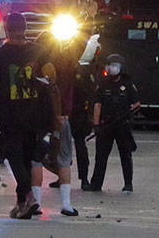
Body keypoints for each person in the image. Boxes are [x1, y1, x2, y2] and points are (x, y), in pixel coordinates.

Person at [0, 12, 56, 220]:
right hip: (36, 116)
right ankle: (21, 203)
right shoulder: (40, 51)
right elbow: (50, 85)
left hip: (10, 116)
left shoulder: (1, 54)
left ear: (6, 28)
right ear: (25, 28)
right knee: (25, 159)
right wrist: (50, 118)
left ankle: (30, 197)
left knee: (14, 158)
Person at [37, 31, 83, 216]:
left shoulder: (35, 66)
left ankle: (35, 203)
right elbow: (81, 44)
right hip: (62, 118)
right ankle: (66, 204)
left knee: (35, 160)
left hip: (38, 119)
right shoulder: (66, 61)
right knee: (64, 160)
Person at [89, 53, 140, 194]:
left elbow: (136, 103)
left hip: (122, 124)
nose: (112, 68)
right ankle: (96, 184)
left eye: (115, 66)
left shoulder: (128, 84)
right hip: (106, 125)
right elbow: (97, 105)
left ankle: (128, 184)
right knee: (101, 155)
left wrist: (128, 113)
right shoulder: (103, 84)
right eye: (110, 65)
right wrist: (97, 125)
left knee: (126, 154)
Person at [71, 57, 98, 189]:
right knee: (59, 148)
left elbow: (91, 94)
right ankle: (60, 176)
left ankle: (84, 178)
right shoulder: (60, 68)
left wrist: (90, 115)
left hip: (79, 114)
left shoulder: (83, 72)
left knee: (80, 146)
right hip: (64, 112)